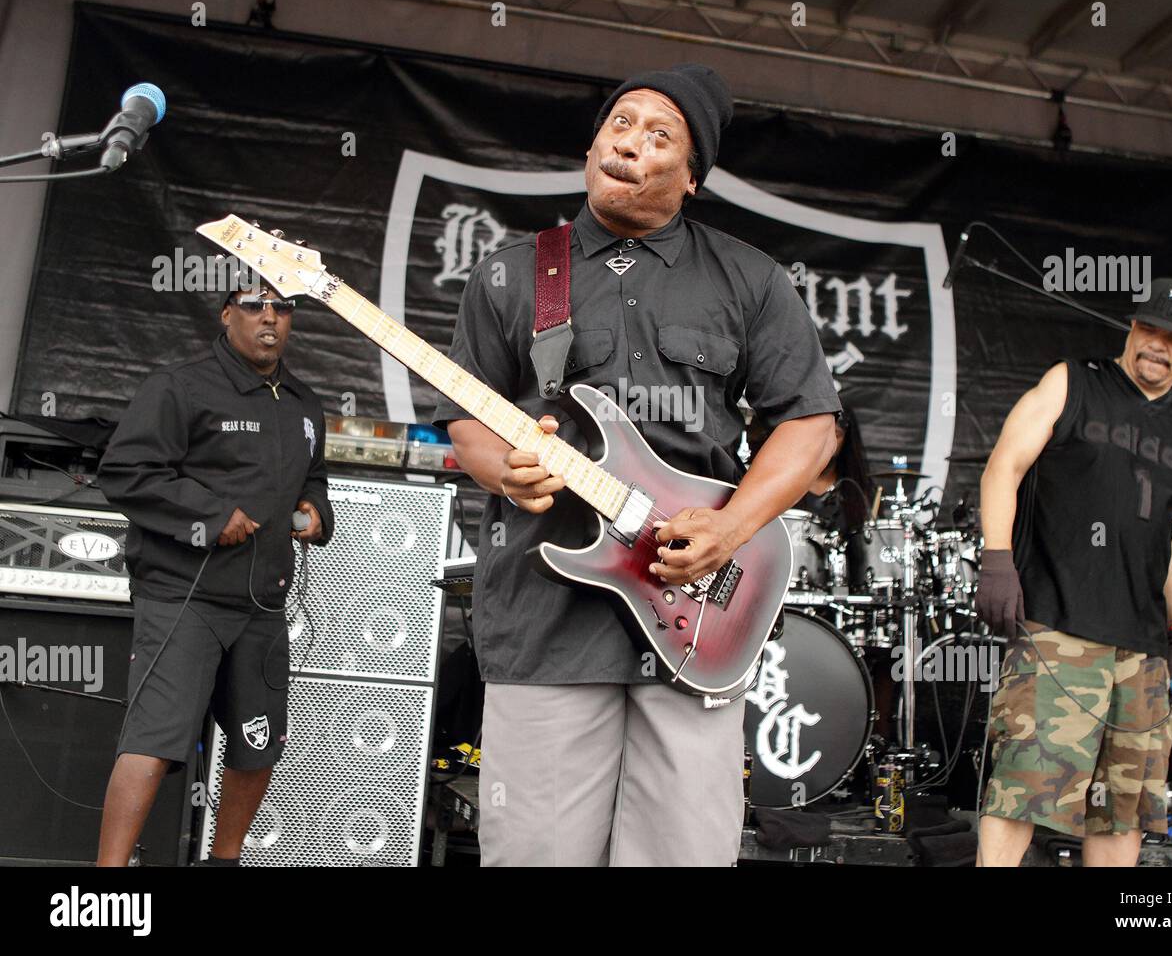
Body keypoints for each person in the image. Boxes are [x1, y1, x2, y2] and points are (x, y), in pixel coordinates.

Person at [432, 63, 842, 866]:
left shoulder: (751, 280)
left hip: (695, 621)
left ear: (691, 177)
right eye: (621, 123)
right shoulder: (514, 272)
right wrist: (501, 471)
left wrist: (731, 526)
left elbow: (810, 426)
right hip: (546, 621)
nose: (631, 144)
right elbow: (467, 416)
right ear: (593, 144)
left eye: (661, 136)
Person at [974, 277, 1172, 867]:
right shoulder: (1073, 381)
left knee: (1122, 809)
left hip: (1143, 651)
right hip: (1059, 630)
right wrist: (997, 560)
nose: (1159, 345)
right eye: (1150, 329)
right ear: (1132, 329)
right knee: (1024, 792)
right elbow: (1003, 465)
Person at [96, 285, 334, 866]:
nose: (269, 318)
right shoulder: (181, 386)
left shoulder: (304, 403)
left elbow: (315, 477)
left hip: (264, 603)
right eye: (254, 305)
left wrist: (315, 511)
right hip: (186, 596)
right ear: (228, 314)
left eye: (281, 308)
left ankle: (224, 861)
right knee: (155, 739)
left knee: (258, 747)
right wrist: (209, 515)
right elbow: (125, 471)